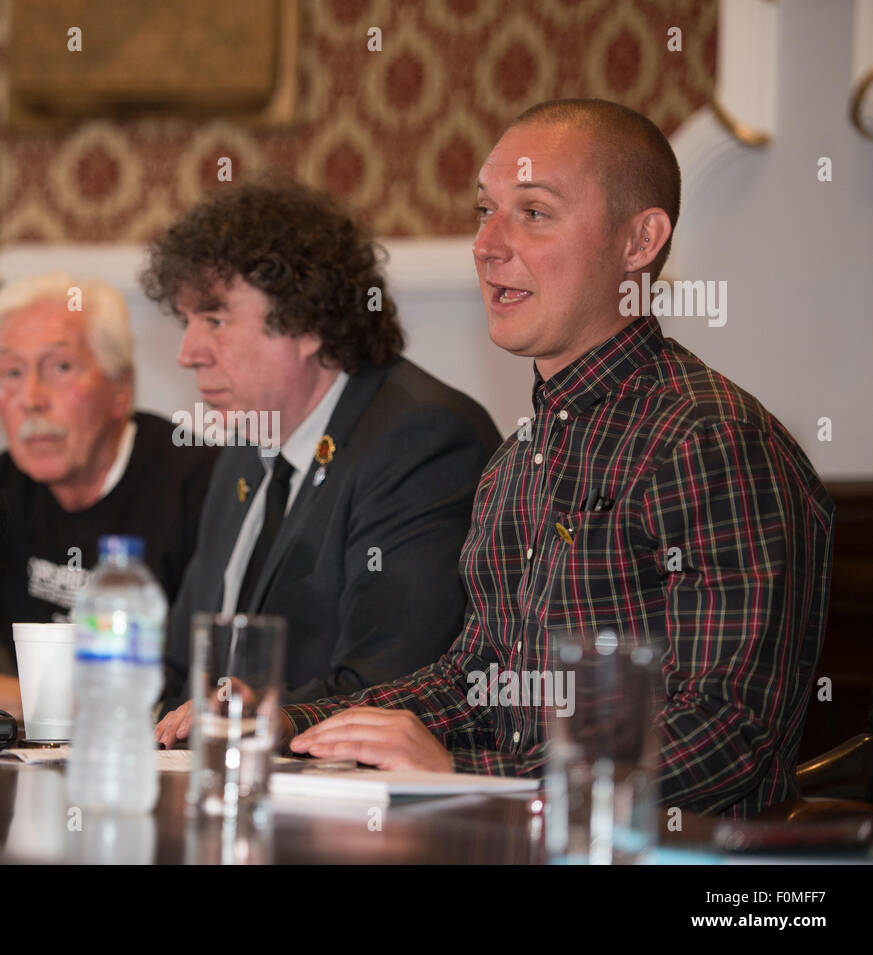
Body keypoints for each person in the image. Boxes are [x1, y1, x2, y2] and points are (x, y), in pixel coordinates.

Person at [265, 99, 833, 818]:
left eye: (534, 212)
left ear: (639, 240)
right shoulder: (517, 458)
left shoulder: (708, 437)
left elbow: (725, 730)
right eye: (483, 210)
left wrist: (469, 775)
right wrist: (295, 725)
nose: (487, 243)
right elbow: (477, 682)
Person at [148, 181, 501, 725]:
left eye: (215, 320)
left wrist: (237, 720)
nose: (187, 353)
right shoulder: (244, 451)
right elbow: (179, 673)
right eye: (186, 322)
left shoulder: (423, 441)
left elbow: (391, 681)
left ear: (306, 323)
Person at [0, 274, 219, 707]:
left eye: (61, 367)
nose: (32, 398)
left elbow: (212, 676)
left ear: (120, 390)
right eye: (11, 372)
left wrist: (39, 697)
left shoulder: (201, 486)